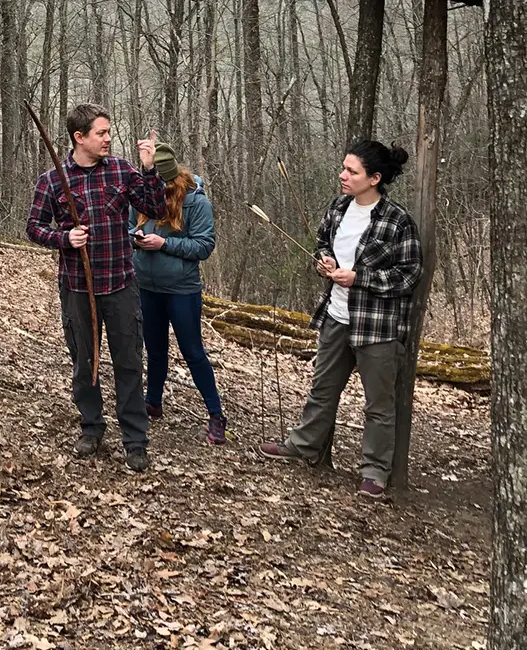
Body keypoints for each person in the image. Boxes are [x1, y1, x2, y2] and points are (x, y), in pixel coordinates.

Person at [260, 140, 423, 499]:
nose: (343, 175)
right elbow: (322, 242)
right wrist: (326, 262)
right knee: (322, 390)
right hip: (336, 316)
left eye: (352, 171)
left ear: (375, 178)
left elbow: (409, 275)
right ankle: (304, 445)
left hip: (377, 327)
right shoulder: (338, 208)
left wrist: (359, 277)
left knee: (378, 404)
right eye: (344, 168)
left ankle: (374, 471)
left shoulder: (397, 221)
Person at [27, 103, 166, 473]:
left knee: (129, 363)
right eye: (101, 133)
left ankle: (135, 440)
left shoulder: (122, 171)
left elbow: (156, 208)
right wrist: (63, 238)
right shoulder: (53, 180)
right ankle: (91, 427)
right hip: (77, 288)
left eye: (108, 132)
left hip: (120, 285)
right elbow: (34, 227)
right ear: (79, 137)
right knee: (84, 362)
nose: (108, 139)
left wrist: (150, 170)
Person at [130, 143, 227, 445]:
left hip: (182, 290)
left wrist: (164, 244)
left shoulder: (196, 202)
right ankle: (153, 401)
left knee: (192, 351)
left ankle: (216, 415)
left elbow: (203, 246)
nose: (159, 189)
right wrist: (136, 239)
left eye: (163, 184)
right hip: (146, 285)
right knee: (155, 349)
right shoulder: (142, 195)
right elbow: (127, 226)